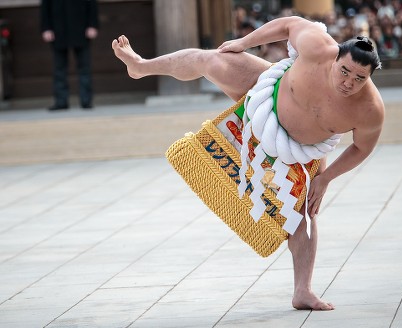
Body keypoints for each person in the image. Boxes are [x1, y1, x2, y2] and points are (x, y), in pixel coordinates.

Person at [112, 16, 384, 311]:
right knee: (214, 60)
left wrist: (326, 177)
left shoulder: (370, 109)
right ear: (335, 58)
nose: (348, 83)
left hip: (302, 153)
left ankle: (303, 290)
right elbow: (288, 24)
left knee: (305, 215)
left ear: (370, 77)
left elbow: (361, 147)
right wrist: (244, 43)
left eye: (359, 79)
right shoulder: (317, 46)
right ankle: (141, 66)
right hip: (265, 96)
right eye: (345, 71)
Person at [40, 0, 99, 110]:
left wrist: (92, 24)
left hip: (81, 28)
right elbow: (45, 6)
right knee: (59, 69)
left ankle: (86, 101)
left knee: (84, 67)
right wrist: (46, 28)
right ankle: (61, 102)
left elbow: (92, 3)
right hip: (58, 29)